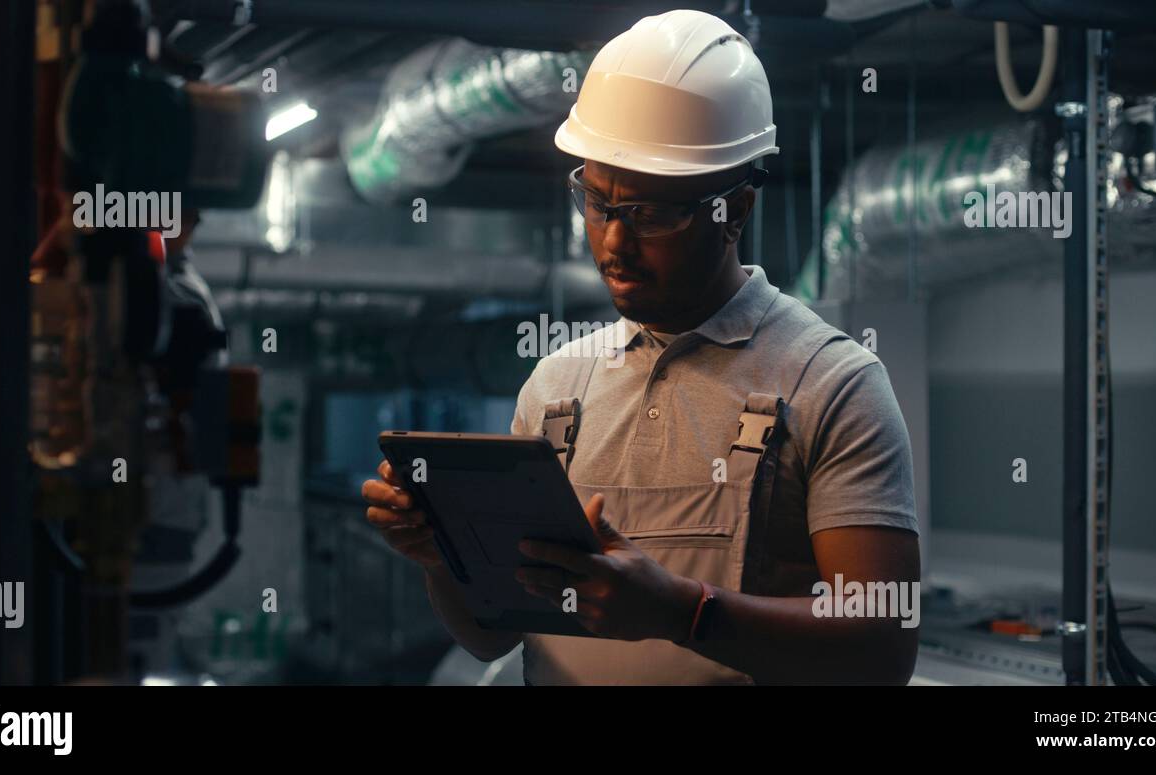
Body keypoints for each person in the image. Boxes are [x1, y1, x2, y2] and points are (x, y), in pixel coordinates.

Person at [363, 9, 920, 685]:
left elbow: (883, 651)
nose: (613, 244)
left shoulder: (831, 383)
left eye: (651, 213)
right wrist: (441, 557)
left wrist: (684, 612)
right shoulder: (556, 387)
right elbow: (491, 636)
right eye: (597, 203)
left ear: (734, 210)